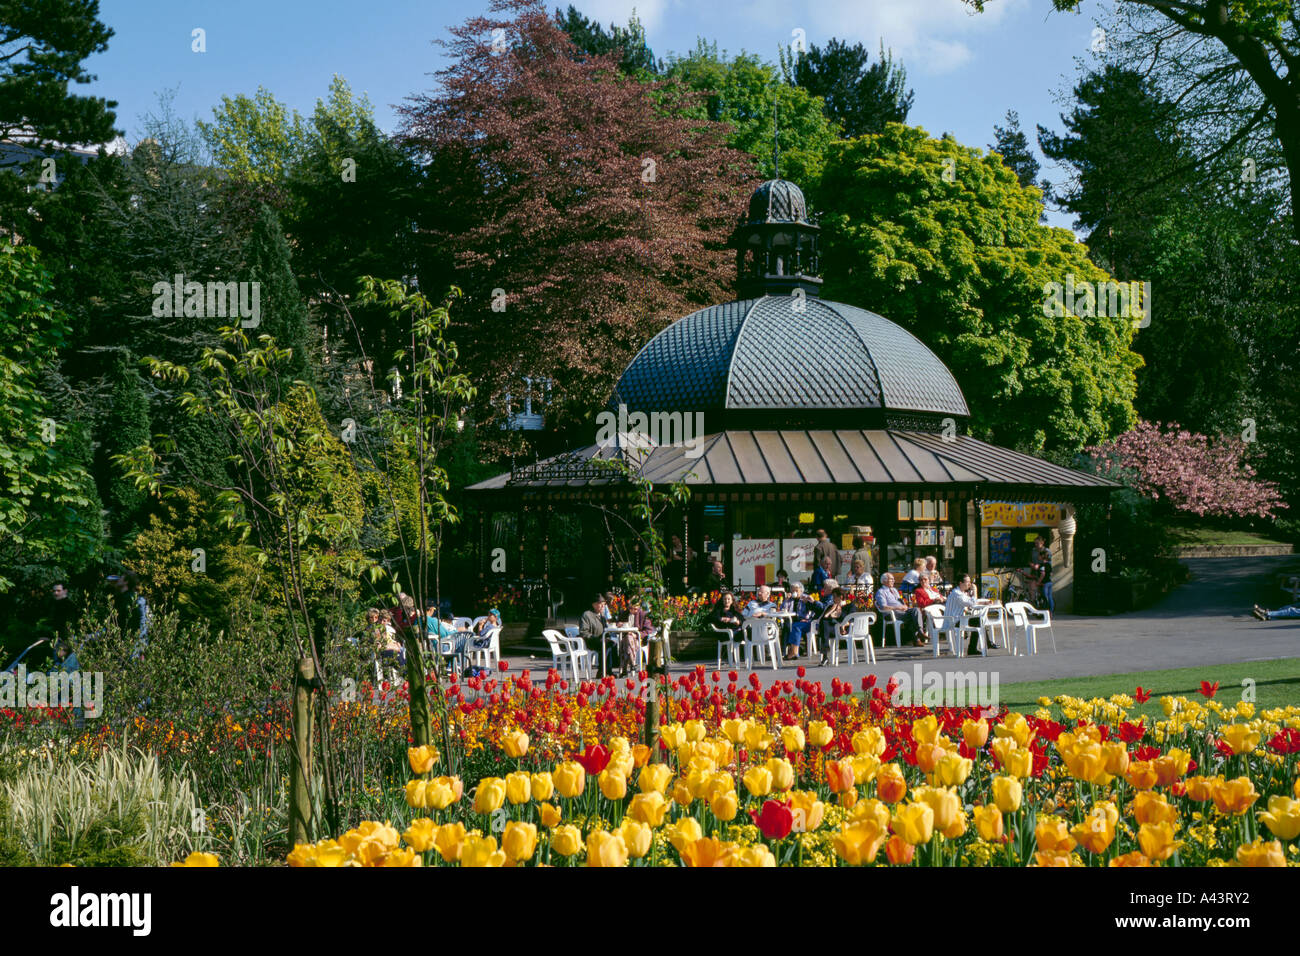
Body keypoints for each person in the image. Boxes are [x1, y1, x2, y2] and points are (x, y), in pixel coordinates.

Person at [944, 573, 995, 653]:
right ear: (961, 583)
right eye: (967, 582)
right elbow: (972, 603)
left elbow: (971, 601)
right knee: (978, 621)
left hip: (957, 619)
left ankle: (976, 647)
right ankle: (980, 646)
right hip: (952, 621)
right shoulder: (957, 594)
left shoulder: (960, 592)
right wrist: (975, 591)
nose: (970, 584)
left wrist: (985, 602)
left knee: (978, 621)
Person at [780, 582, 822, 660]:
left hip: (805, 622)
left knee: (794, 626)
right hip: (791, 620)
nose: (794, 592)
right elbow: (782, 609)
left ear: (801, 591)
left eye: (796, 591)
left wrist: (808, 619)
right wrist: (785, 600)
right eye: (792, 591)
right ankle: (786, 651)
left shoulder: (805, 598)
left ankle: (793, 652)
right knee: (787, 626)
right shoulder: (789, 599)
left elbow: (816, 610)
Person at [873, 573, 916, 646]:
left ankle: (918, 635)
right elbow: (883, 607)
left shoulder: (894, 590)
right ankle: (917, 637)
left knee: (916, 610)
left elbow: (899, 601)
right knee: (915, 615)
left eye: (893, 579)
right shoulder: (881, 592)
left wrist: (904, 606)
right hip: (891, 613)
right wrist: (898, 608)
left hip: (902, 611)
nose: (893, 581)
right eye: (891, 579)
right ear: (884, 581)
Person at [818, 589, 850, 665]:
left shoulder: (849, 606)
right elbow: (824, 617)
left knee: (824, 627)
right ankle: (825, 655)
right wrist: (832, 610)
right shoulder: (832, 606)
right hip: (832, 630)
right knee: (824, 623)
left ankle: (825, 656)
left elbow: (851, 620)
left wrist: (842, 625)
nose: (833, 599)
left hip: (845, 629)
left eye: (835, 597)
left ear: (841, 597)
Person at [623, 596, 653, 677]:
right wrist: (619, 624)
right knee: (627, 639)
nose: (633, 611)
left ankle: (624, 668)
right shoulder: (625, 613)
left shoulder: (643, 614)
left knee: (628, 640)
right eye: (630, 608)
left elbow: (648, 630)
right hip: (624, 638)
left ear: (639, 607)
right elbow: (617, 623)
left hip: (638, 639)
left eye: (635, 609)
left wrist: (636, 635)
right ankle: (632, 663)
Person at [1031, 536, 1054, 612]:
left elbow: (1048, 562)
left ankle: (1048, 610)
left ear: (1042, 543)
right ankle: (1041, 608)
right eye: (1035, 543)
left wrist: (1039, 565)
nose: (1036, 545)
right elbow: (1029, 559)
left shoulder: (1046, 551)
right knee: (1039, 592)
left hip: (1043, 575)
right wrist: (1032, 564)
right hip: (1035, 572)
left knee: (1046, 595)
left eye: (1037, 543)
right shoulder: (1033, 550)